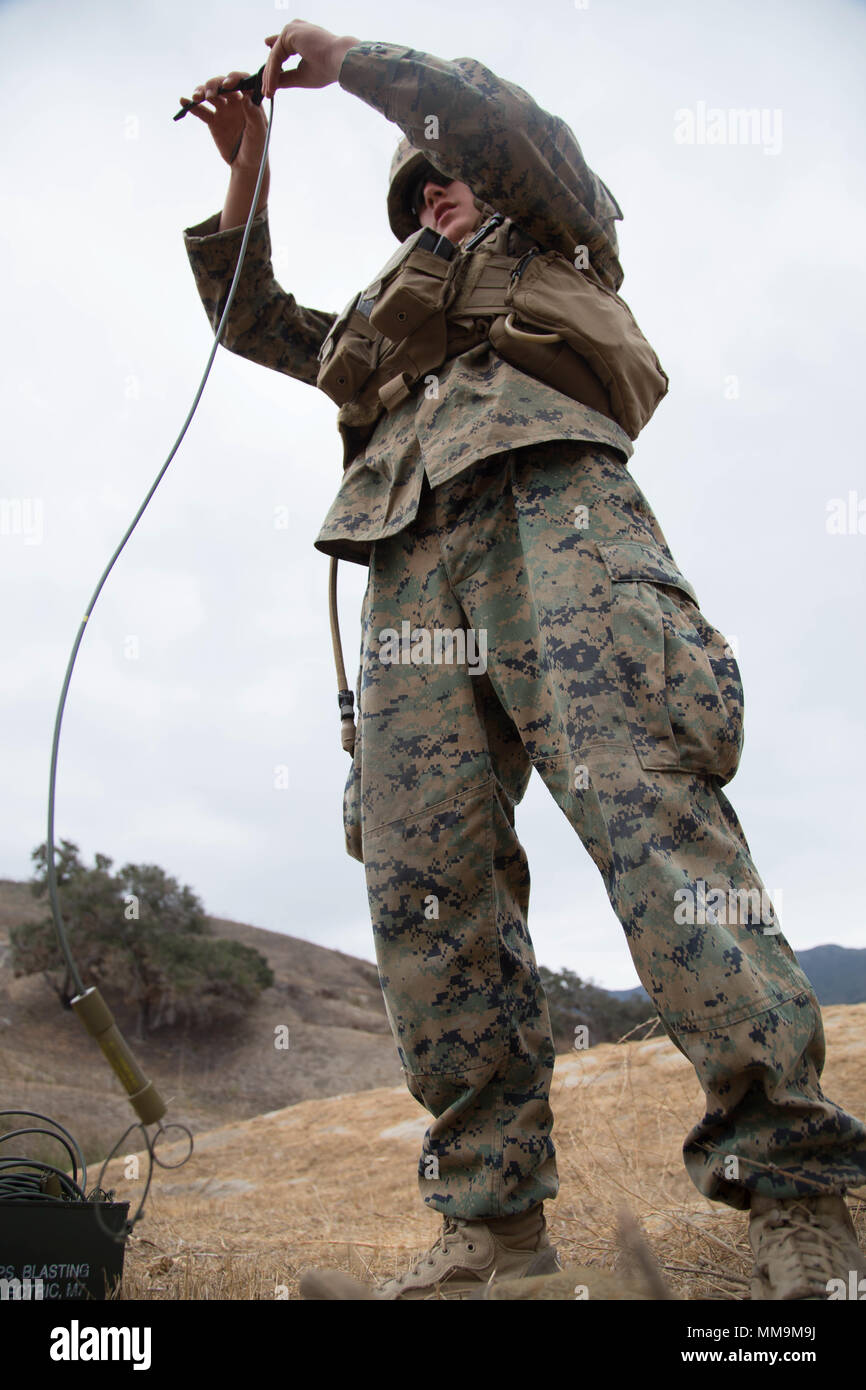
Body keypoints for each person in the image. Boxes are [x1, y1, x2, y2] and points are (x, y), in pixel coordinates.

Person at [179, 19, 866, 1300]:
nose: (431, 193)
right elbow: (252, 319)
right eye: (413, 192)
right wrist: (248, 168)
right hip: (403, 562)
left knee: (649, 820)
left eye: (445, 173)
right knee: (422, 880)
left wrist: (352, 64)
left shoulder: (554, 228)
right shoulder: (386, 322)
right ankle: (493, 1232)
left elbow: (497, 121)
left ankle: (794, 1190)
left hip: (558, 517)